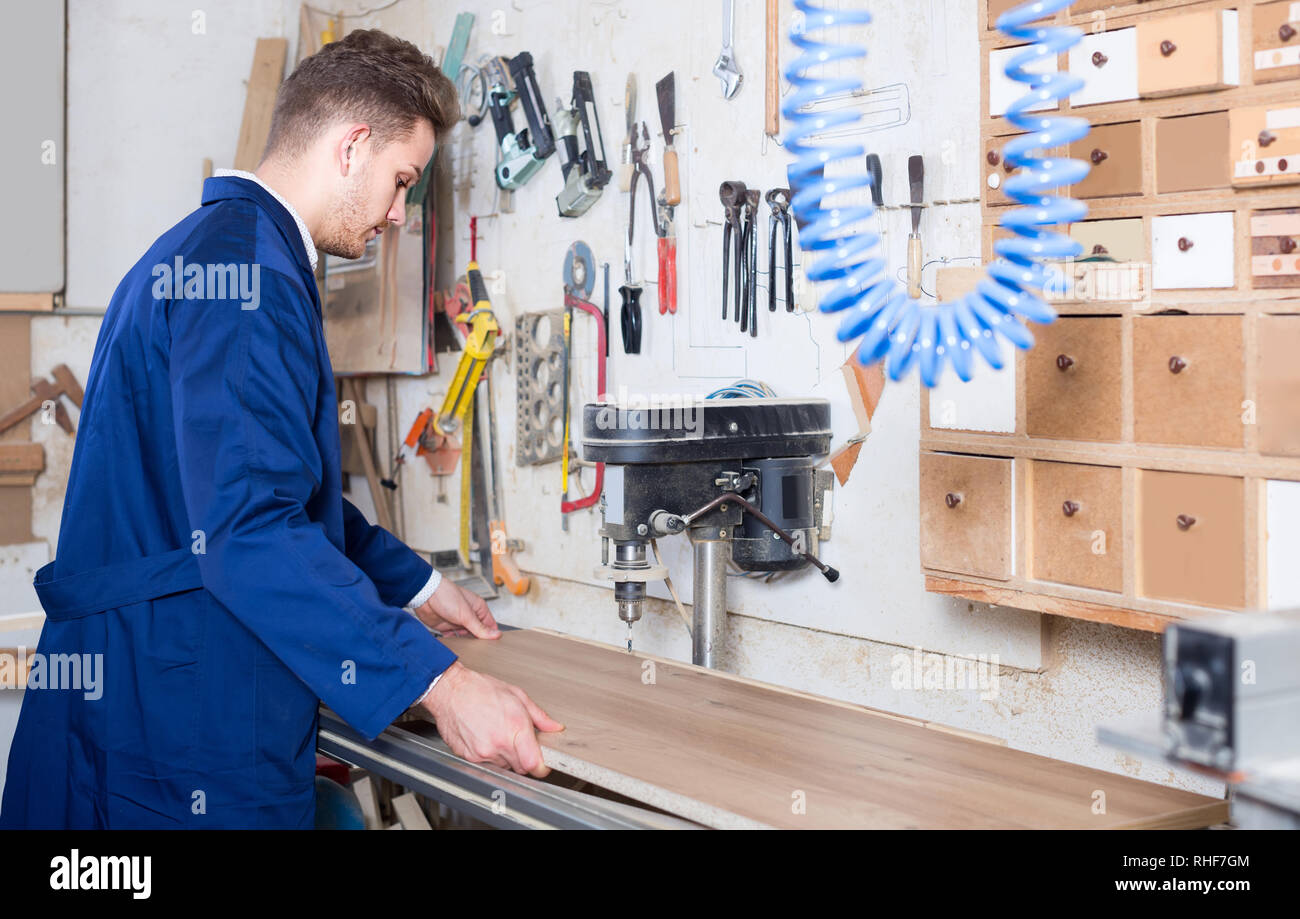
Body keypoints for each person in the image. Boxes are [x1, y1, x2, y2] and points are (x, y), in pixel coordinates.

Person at [0, 29, 560, 829]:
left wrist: (421, 586)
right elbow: (251, 529)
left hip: (147, 681)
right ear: (351, 145)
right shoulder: (248, 279)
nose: (399, 215)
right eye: (402, 182)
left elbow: (274, 492)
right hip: (177, 711)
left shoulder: (205, 252)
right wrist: (446, 686)